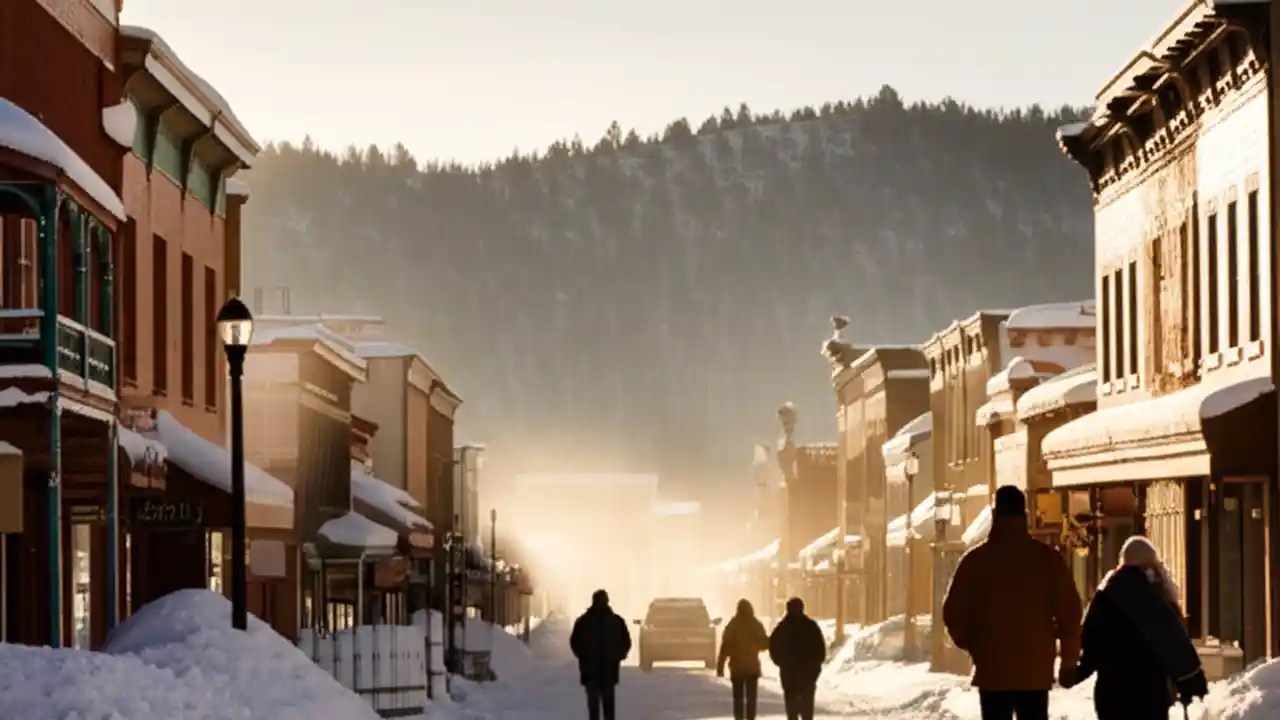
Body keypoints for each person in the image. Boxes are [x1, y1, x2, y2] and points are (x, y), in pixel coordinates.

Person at [942, 485, 1082, 720]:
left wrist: (976, 645)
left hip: (993, 671)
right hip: (1035, 672)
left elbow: (953, 614)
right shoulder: (1047, 561)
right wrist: (1068, 660)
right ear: (1025, 517)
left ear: (995, 516)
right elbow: (1070, 614)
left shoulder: (976, 562)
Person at [1070, 536, 1208, 719]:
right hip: (1149, 693)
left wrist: (1076, 672)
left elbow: (1090, 642)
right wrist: (1191, 680)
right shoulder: (1156, 597)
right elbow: (1174, 642)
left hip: (1111, 694)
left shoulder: (1105, 596)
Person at [569, 589, 632, 720]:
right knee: (608, 708)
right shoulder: (616, 621)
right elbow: (626, 642)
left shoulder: (584, 621)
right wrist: (618, 657)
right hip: (608, 670)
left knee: (594, 709)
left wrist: (583, 657)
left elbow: (575, 642)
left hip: (590, 671)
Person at [768, 597, 826, 720]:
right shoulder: (811, 626)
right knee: (807, 711)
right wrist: (815, 668)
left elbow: (773, 647)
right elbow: (820, 650)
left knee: (792, 711)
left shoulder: (782, 627)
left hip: (789, 676)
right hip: (808, 676)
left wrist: (781, 663)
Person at [717, 598, 770, 720]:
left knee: (738, 698)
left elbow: (725, 646)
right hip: (752, 667)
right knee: (751, 698)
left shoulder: (733, 625)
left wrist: (720, 666)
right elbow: (764, 644)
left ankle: (739, 717)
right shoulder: (755, 624)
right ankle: (751, 717)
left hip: (737, 667)